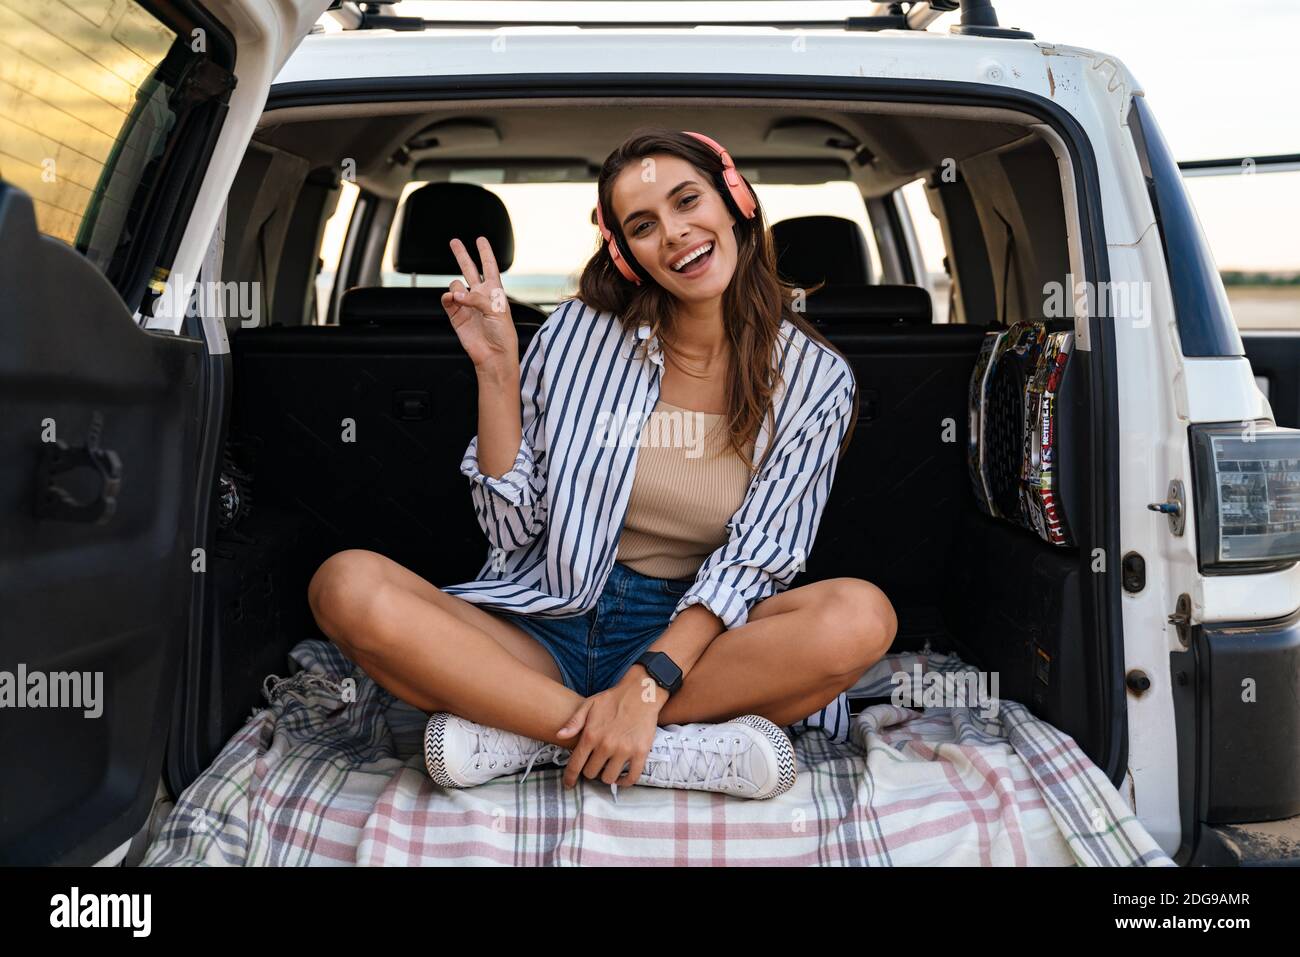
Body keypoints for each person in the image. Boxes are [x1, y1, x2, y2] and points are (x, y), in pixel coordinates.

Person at [308, 128, 898, 802]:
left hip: (694, 640)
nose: (674, 234)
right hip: (546, 621)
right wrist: (497, 371)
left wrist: (649, 681)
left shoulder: (816, 378)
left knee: (861, 616)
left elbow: (760, 557)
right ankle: (637, 745)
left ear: (735, 200)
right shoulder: (576, 334)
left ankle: (529, 733)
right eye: (644, 225)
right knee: (345, 585)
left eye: (687, 201)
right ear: (626, 253)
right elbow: (510, 529)